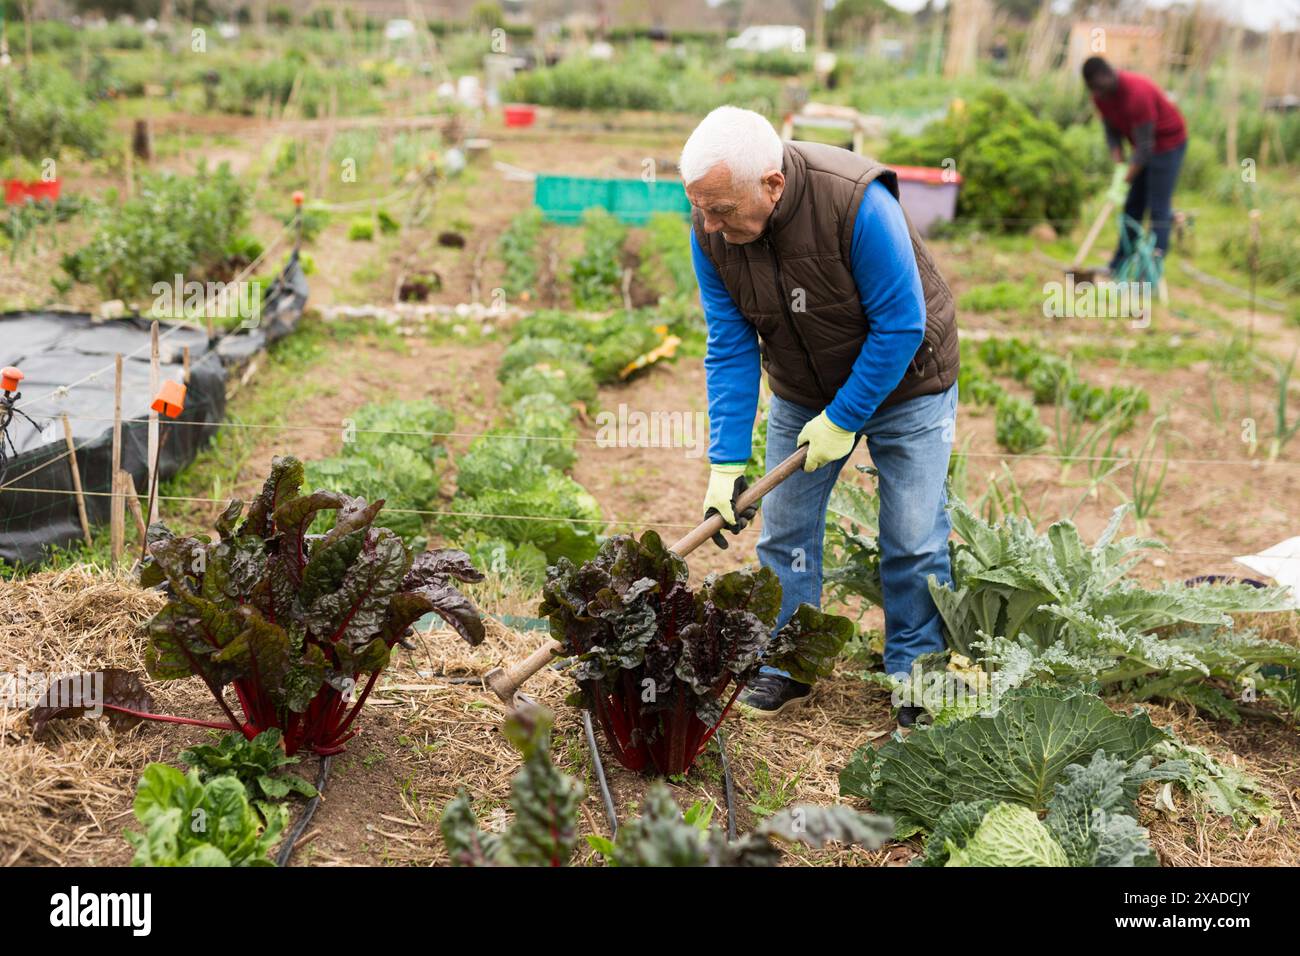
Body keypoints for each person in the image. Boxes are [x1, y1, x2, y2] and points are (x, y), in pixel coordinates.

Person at [680, 106, 960, 728]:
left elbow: (902, 326)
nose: (710, 224)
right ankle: (785, 663)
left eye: (722, 209)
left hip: (910, 382)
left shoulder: (855, 202)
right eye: (701, 207)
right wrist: (725, 463)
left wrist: (845, 419)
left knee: (912, 538)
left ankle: (916, 674)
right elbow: (729, 343)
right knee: (784, 530)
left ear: (772, 185)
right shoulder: (712, 229)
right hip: (804, 386)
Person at [1082, 56, 1188, 274]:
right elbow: (1111, 131)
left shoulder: (1137, 93)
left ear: (1107, 75)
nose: (1097, 95)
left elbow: (1146, 148)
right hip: (1142, 146)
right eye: (1093, 90)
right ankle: (1117, 266)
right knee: (1132, 206)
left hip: (1168, 144)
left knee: (1158, 208)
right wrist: (1119, 160)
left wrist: (1126, 178)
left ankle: (1149, 275)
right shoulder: (1100, 95)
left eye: (1099, 88)